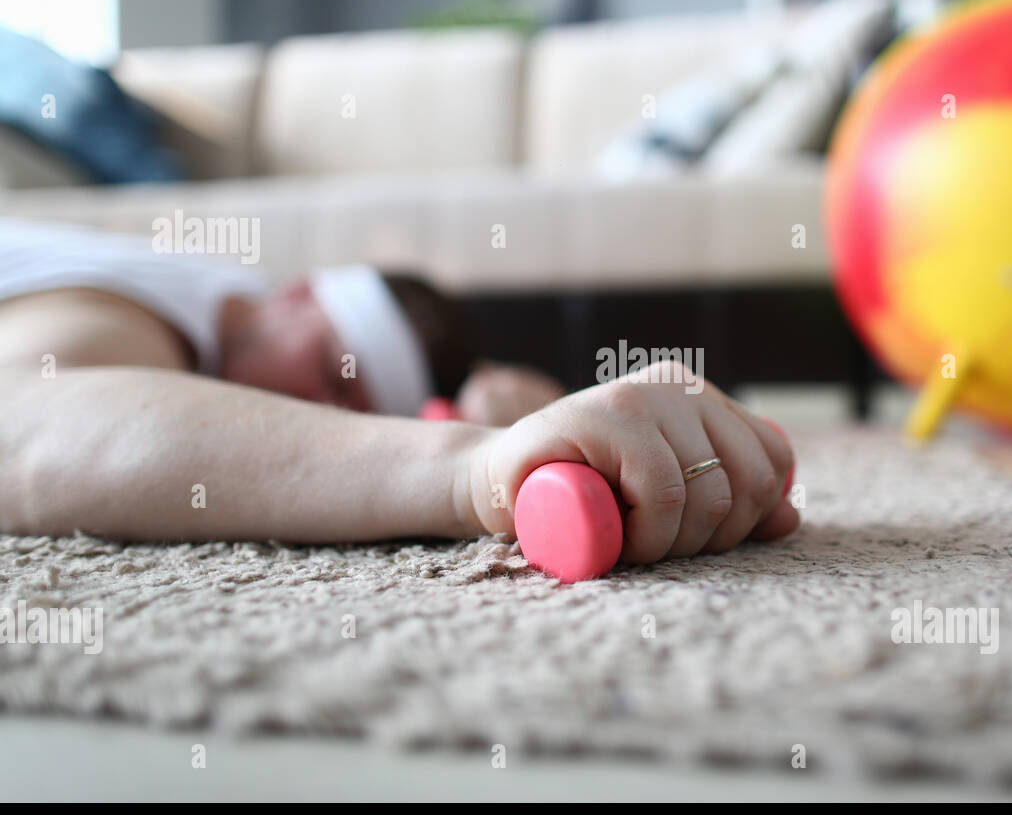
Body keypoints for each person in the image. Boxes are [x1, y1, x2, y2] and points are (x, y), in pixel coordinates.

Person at [0, 218, 798, 561]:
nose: (311, 421)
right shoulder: (137, 316)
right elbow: (25, 431)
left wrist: (532, 415)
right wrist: (470, 469)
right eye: (325, 378)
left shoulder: (212, 308)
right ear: (296, 296)